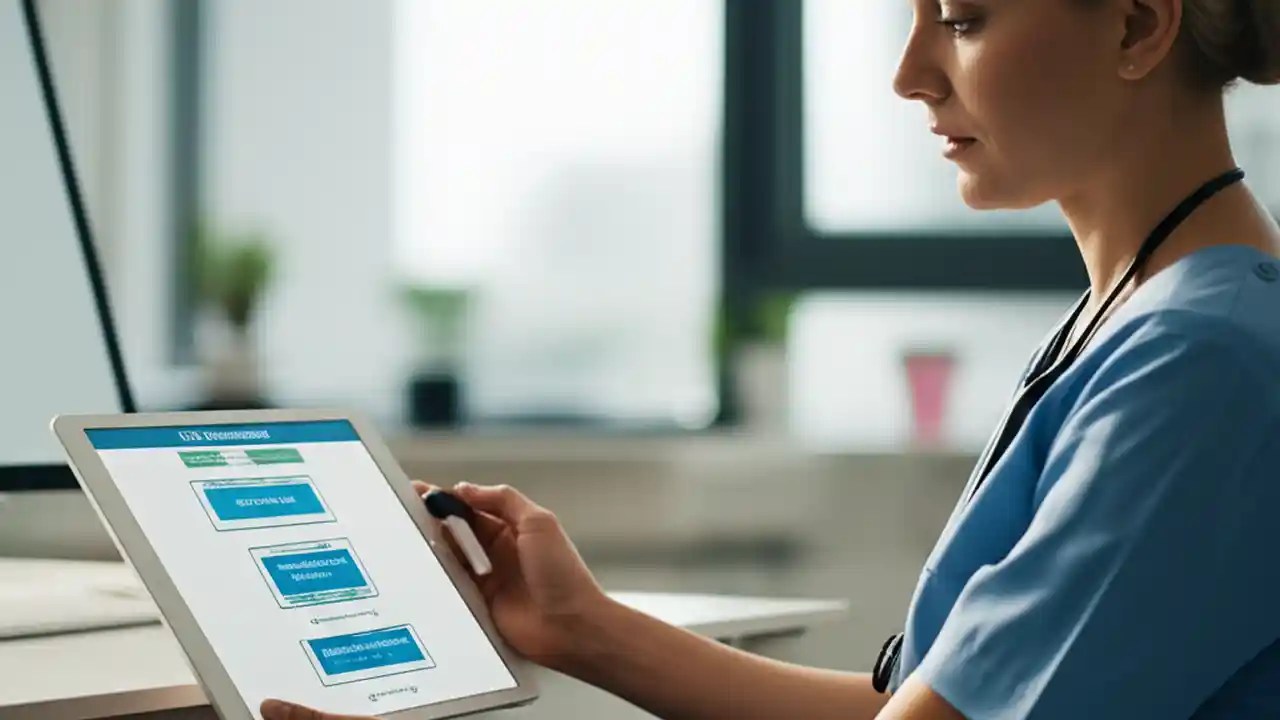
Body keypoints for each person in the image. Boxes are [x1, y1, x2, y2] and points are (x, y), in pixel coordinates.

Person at [262, 0, 1280, 718]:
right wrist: (581, 627)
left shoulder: (1197, 365)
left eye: (962, 19)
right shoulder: (1141, 320)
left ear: (1138, 25)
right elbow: (920, 710)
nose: (907, 72)